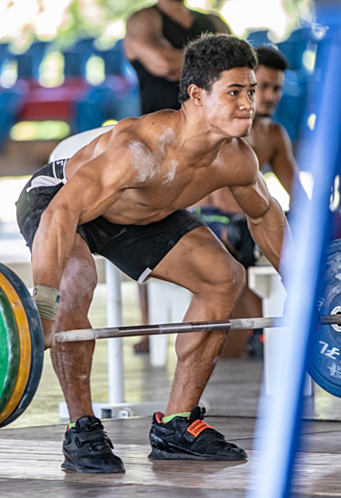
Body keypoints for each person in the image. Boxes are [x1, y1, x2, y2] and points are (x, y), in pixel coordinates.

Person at [15, 34, 288, 473]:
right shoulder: (139, 150)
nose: (247, 104)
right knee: (77, 281)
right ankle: (81, 428)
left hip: (139, 215)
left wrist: (305, 288)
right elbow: (62, 214)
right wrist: (45, 307)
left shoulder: (236, 159)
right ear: (197, 95)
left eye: (251, 91)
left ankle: (178, 425)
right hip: (58, 201)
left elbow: (266, 218)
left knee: (224, 277)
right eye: (234, 92)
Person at [191, 46, 341, 358]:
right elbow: (232, 201)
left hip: (249, 223)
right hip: (211, 221)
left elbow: (300, 198)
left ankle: (336, 306)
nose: (268, 96)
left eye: (276, 88)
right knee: (243, 231)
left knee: (334, 222)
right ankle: (258, 329)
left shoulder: (273, 134)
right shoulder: (220, 127)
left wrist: (325, 220)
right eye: (260, 87)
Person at [124, 1, 229, 352]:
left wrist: (186, 63)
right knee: (144, 218)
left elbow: (233, 70)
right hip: (156, 139)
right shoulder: (144, 19)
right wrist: (209, 65)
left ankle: (216, 320)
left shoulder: (211, 19)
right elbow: (160, 63)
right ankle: (147, 325)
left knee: (219, 216)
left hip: (206, 134)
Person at [124, 0, 229, 115]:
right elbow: (165, 64)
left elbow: (238, 67)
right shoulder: (142, 19)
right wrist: (219, 64)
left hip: (214, 124)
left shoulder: (214, 21)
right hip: (162, 126)